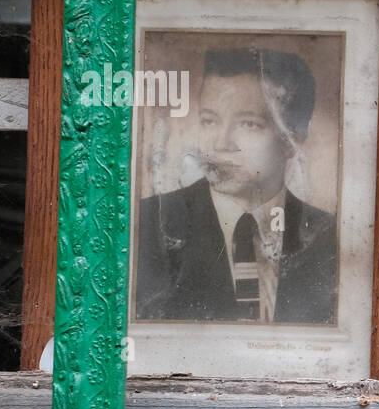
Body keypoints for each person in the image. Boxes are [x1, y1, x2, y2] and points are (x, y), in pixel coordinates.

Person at [134, 47, 337, 324]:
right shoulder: (144, 226)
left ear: (294, 137)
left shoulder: (331, 238)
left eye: (248, 124)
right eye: (209, 121)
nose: (221, 143)